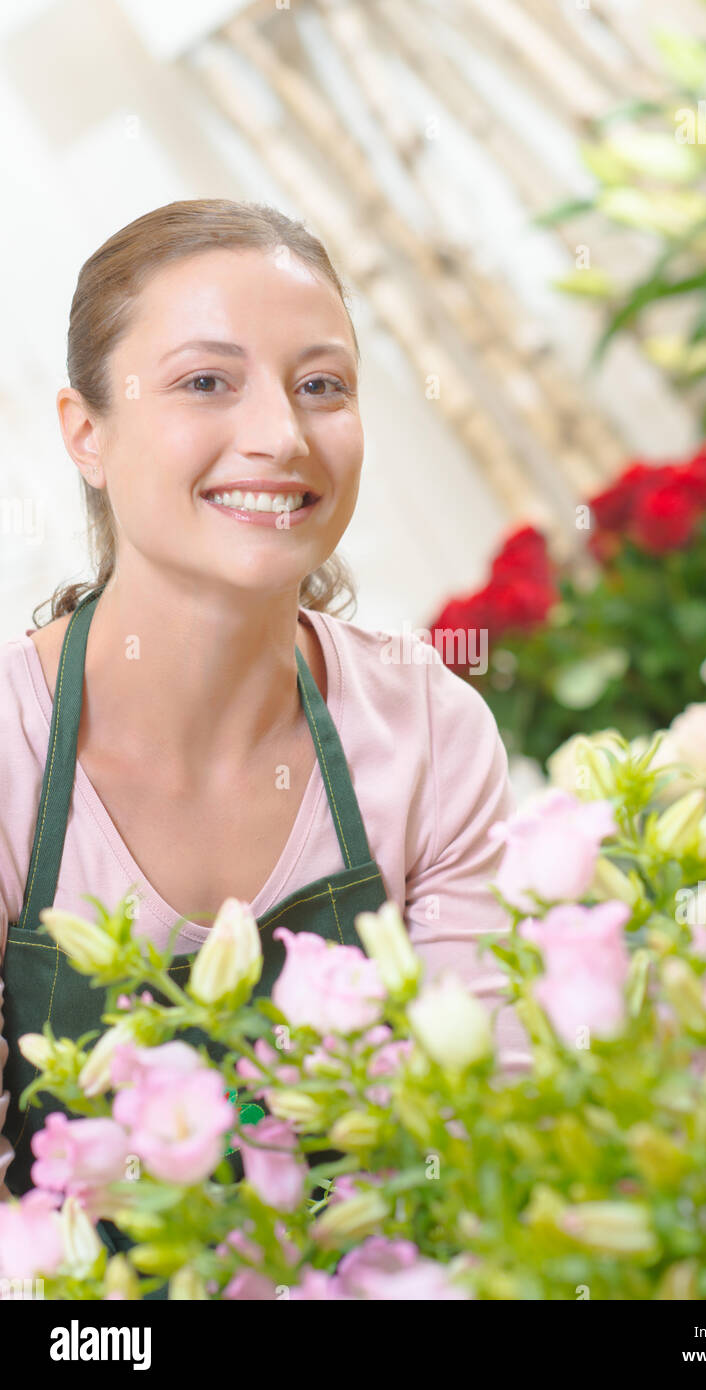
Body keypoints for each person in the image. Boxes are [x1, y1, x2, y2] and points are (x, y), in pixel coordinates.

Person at [0, 199, 531, 1221]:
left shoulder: (430, 733)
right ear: (86, 432)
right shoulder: (14, 752)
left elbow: (481, 1131)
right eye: (207, 382)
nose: (281, 435)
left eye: (321, 386)